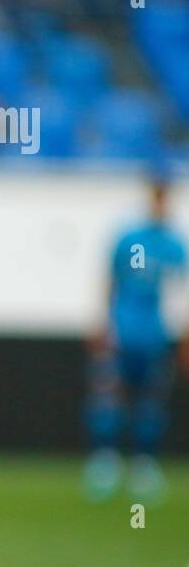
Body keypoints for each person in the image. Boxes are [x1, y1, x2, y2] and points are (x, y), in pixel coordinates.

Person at [84, 172, 187, 504]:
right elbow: (110, 279)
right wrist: (102, 322)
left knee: (150, 401)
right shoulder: (128, 238)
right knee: (110, 396)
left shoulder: (173, 244)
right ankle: (106, 462)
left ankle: (144, 464)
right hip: (123, 330)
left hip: (153, 334)